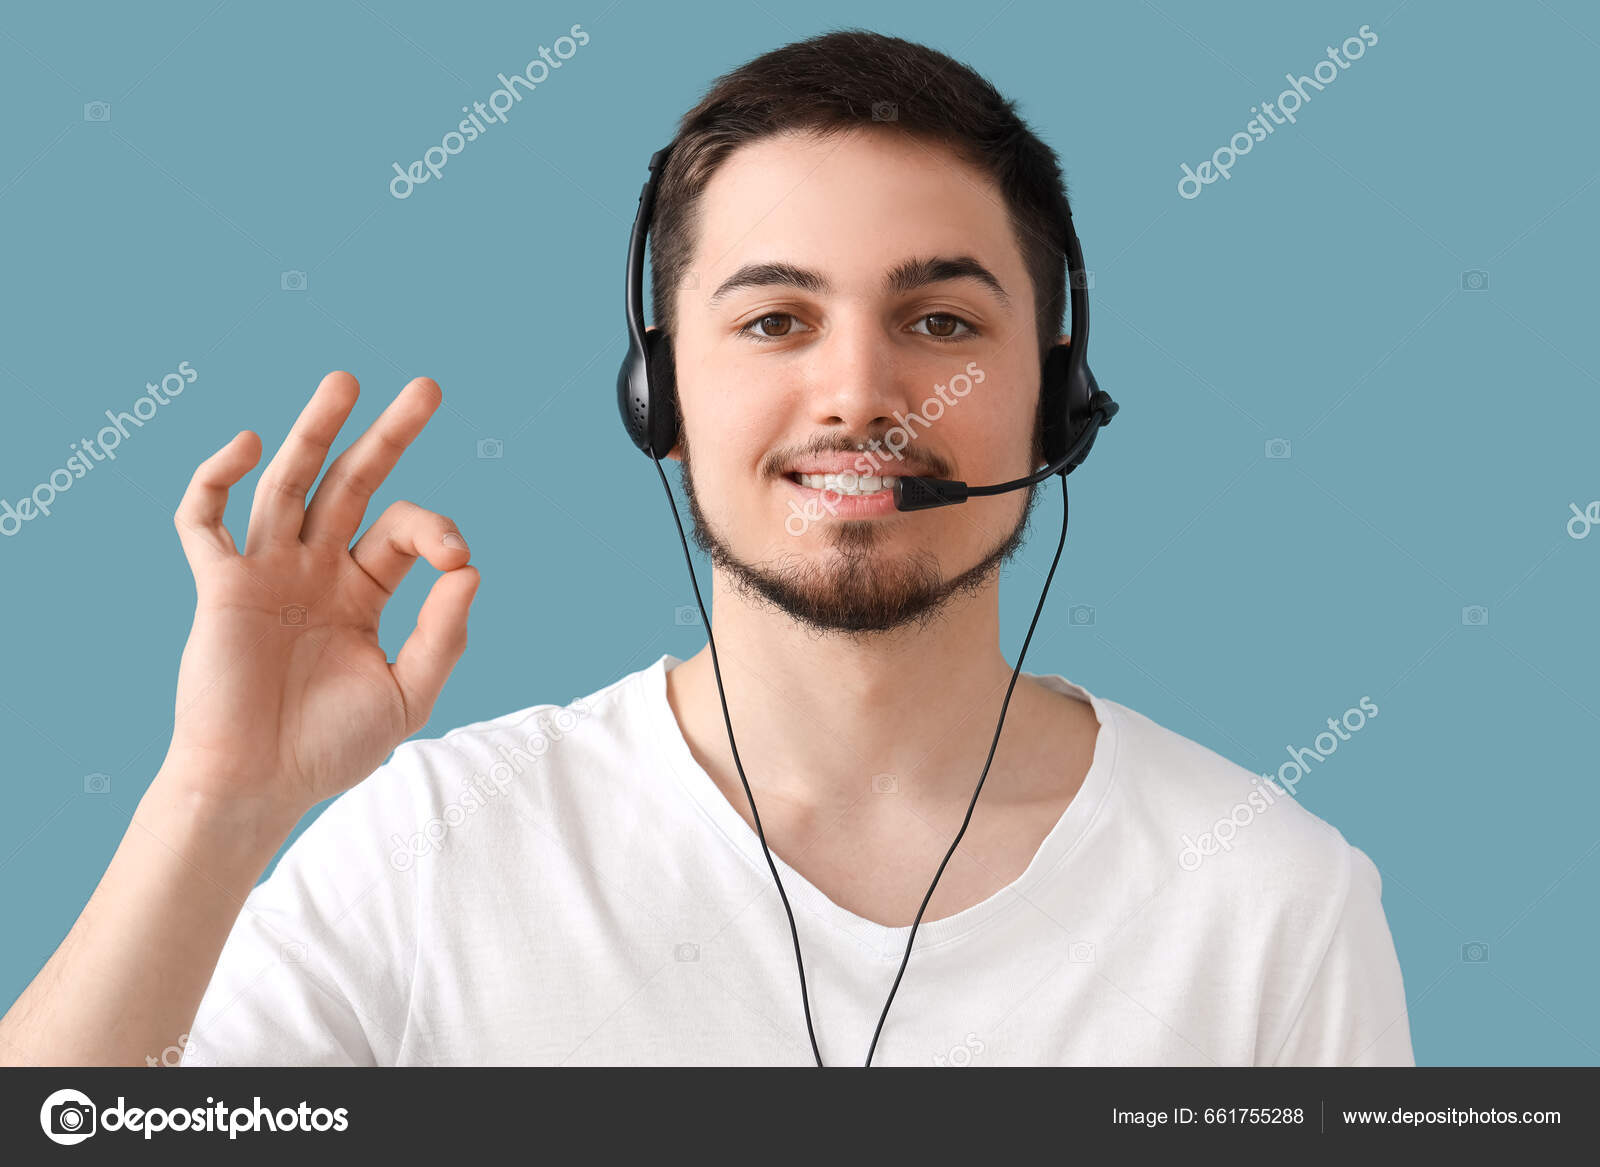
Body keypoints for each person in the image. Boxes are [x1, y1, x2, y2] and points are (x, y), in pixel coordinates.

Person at [0, 29, 1411, 1067]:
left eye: (940, 324)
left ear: (1055, 400)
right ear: (661, 399)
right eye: (775, 321)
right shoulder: (430, 853)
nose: (859, 394)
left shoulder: (1268, 901)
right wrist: (217, 805)